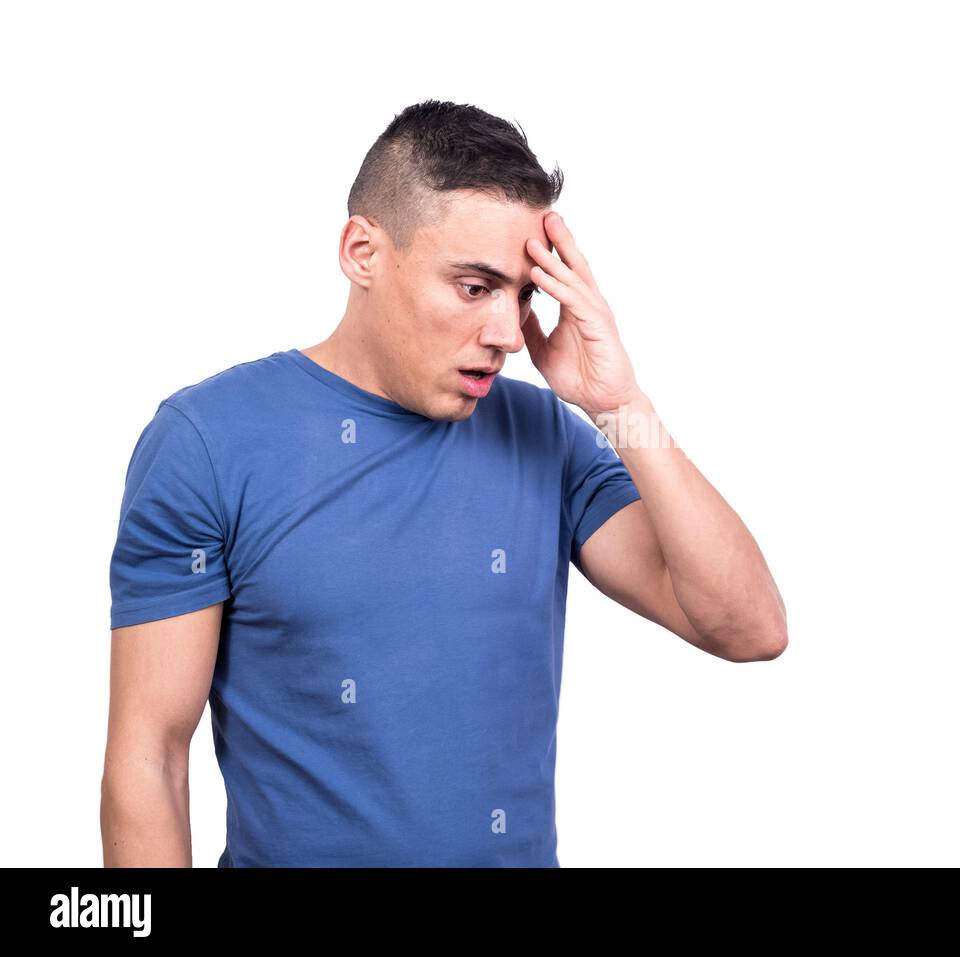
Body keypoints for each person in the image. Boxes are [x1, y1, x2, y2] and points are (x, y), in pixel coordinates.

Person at [100, 100, 787, 867]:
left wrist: (621, 407)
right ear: (363, 251)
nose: (506, 332)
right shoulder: (208, 441)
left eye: (524, 294)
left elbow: (748, 628)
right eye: (473, 287)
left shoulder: (547, 435)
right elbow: (150, 757)